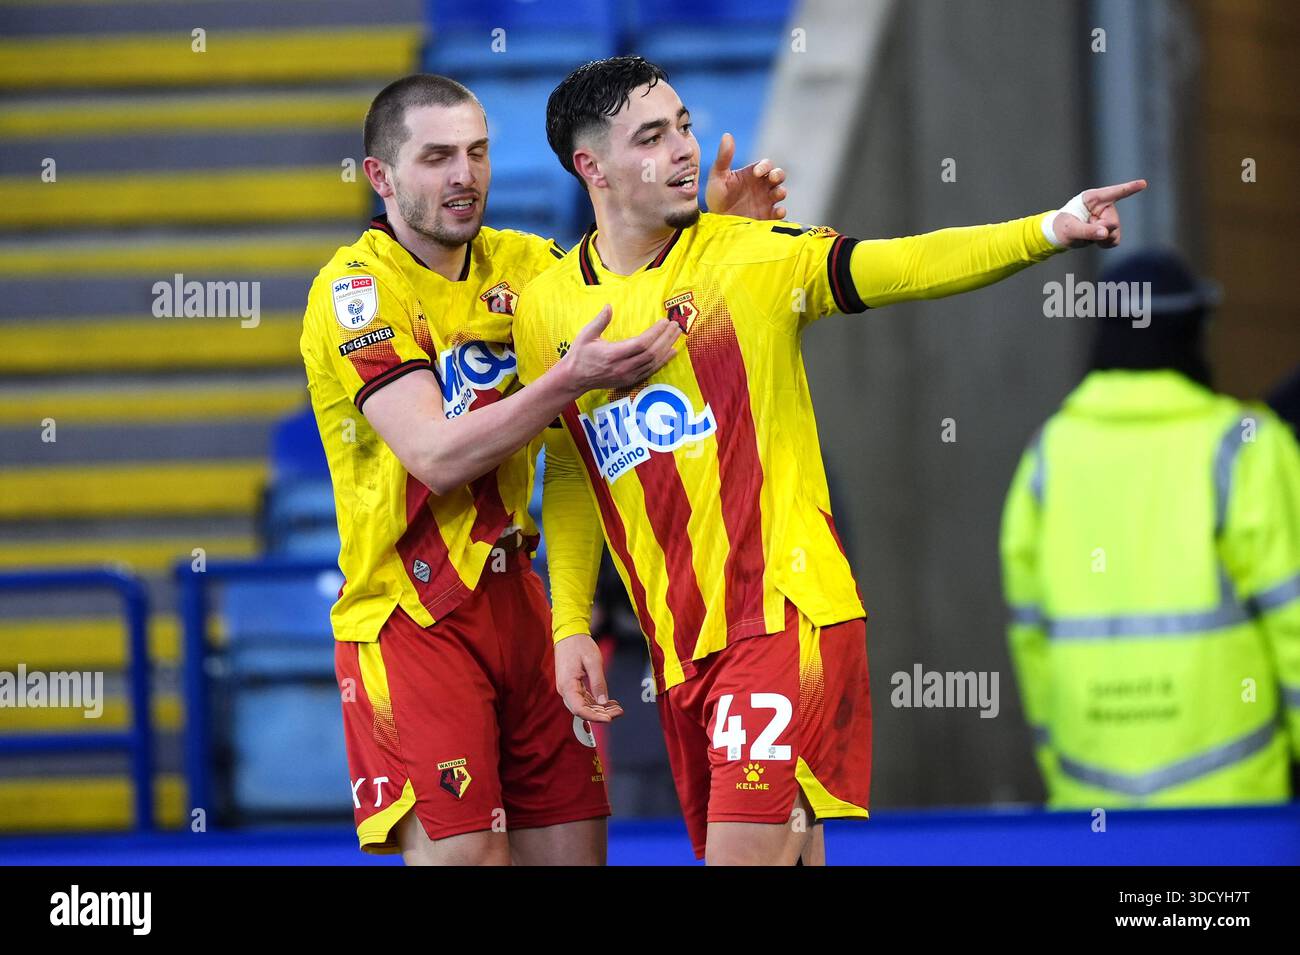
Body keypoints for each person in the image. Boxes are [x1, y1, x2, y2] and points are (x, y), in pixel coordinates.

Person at [510, 55, 1144, 864]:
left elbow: (904, 265)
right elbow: (569, 469)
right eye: (652, 137)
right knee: (790, 851)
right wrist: (567, 622)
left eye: (685, 128)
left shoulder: (752, 257)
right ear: (589, 166)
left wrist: (1049, 228)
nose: (683, 152)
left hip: (785, 613)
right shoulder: (546, 310)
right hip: (681, 645)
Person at [299, 73, 786, 865]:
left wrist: (710, 240)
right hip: (410, 611)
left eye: (478, 152)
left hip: (519, 596)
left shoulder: (527, 265)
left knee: (573, 854)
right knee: (469, 857)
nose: (464, 175)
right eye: (436, 158)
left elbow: (636, 310)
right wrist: (566, 380)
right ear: (379, 177)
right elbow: (434, 452)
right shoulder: (357, 292)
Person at [1001, 249, 1300, 808]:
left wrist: (1062, 769)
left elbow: (1032, 640)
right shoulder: (1245, 448)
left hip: (1090, 806)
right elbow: (1294, 628)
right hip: (1235, 809)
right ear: (1193, 331)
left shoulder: (1049, 455)